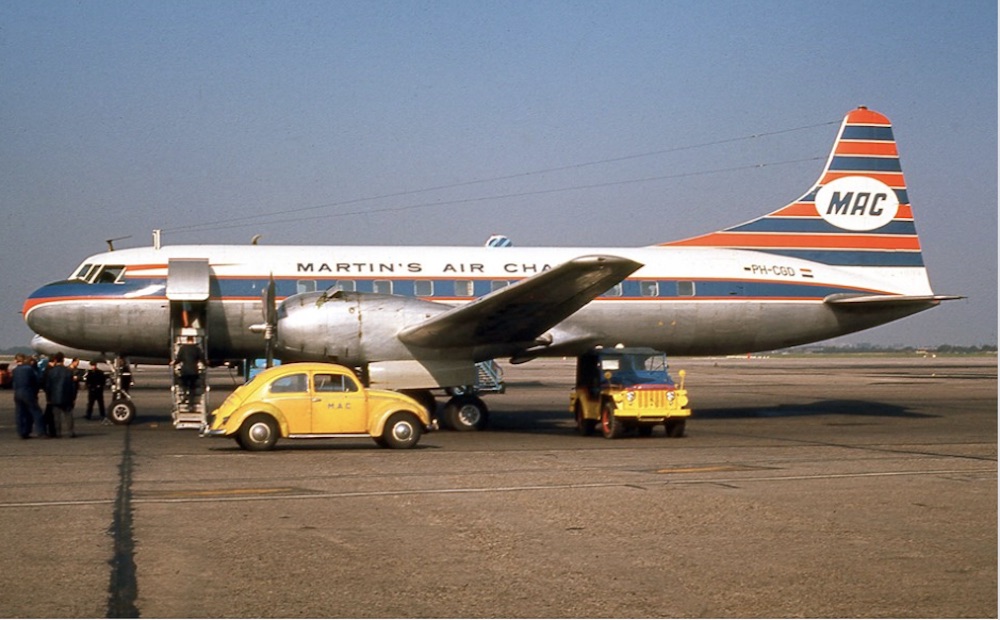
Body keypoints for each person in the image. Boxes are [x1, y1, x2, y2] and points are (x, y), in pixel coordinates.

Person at [42, 352, 77, 438]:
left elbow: (48, 386)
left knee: (56, 416)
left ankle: (58, 432)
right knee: (68, 415)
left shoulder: (51, 372)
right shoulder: (68, 372)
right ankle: (70, 432)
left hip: (55, 397)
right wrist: (73, 397)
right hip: (67, 397)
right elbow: (72, 386)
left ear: (55, 360)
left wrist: (48, 397)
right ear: (63, 360)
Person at [11, 353, 41, 439]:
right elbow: (36, 380)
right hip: (28, 392)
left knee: (20, 413)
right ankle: (41, 431)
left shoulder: (15, 370)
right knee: (36, 412)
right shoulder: (28, 369)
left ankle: (22, 432)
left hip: (17, 392)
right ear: (24, 359)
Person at [173, 337, 207, 403]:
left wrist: (174, 363)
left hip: (185, 370)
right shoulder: (197, 349)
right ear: (193, 340)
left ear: (187, 340)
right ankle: (191, 403)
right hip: (194, 371)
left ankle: (185, 395)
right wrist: (206, 363)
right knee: (192, 387)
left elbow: (179, 359)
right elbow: (201, 358)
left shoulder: (182, 348)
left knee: (184, 384)